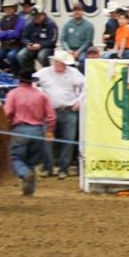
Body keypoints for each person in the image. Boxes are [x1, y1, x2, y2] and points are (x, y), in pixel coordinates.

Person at [3, 69, 56, 196]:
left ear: (19, 80)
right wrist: (49, 131)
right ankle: (29, 190)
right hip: (38, 130)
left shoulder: (13, 94)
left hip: (20, 129)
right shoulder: (41, 95)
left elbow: (7, 113)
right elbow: (51, 116)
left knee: (15, 158)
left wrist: (7, 126)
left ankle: (25, 174)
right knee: (31, 161)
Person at [35, 49, 85, 179]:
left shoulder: (73, 73)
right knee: (47, 140)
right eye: (58, 62)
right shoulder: (45, 72)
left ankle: (64, 168)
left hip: (68, 110)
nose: (59, 65)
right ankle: (48, 167)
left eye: (62, 63)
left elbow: (86, 85)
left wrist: (80, 100)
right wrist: (37, 92)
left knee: (68, 141)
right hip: (50, 112)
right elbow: (32, 80)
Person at [17, 6, 58, 72]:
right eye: (34, 17)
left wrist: (40, 45)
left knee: (41, 56)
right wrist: (28, 43)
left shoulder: (51, 24)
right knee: (21, 55)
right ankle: (32, 73)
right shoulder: (30, 23)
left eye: (38, 17)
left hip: (46, 48)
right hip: (32, 47)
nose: (36, 19)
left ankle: (49, 73)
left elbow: (52, 41)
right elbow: (23, 38)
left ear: (43, 15)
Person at [0, 0, 26, 73]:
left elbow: (17, 34)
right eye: (6, 8)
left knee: (11, 56)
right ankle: (10, 70)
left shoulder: (20, 19)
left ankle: (16, 73)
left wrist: (3, 33)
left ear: (14, 8)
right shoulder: (1, 20)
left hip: (16, 45)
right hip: (4, 46)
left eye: (10, 7)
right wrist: (9, 32)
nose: (8, 10)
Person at [60, 3, 94, 69]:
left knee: (82, 60)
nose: (77, 12)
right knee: (61, 60)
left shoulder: (89, 25)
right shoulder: (67, 25)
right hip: (69, 50)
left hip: (82, 51)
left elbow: (88, 42)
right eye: (75, 10)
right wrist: (68, 50)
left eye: (79, 10)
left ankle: (81, 78)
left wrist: (78, 52)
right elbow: (63, 40)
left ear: (83, 12)